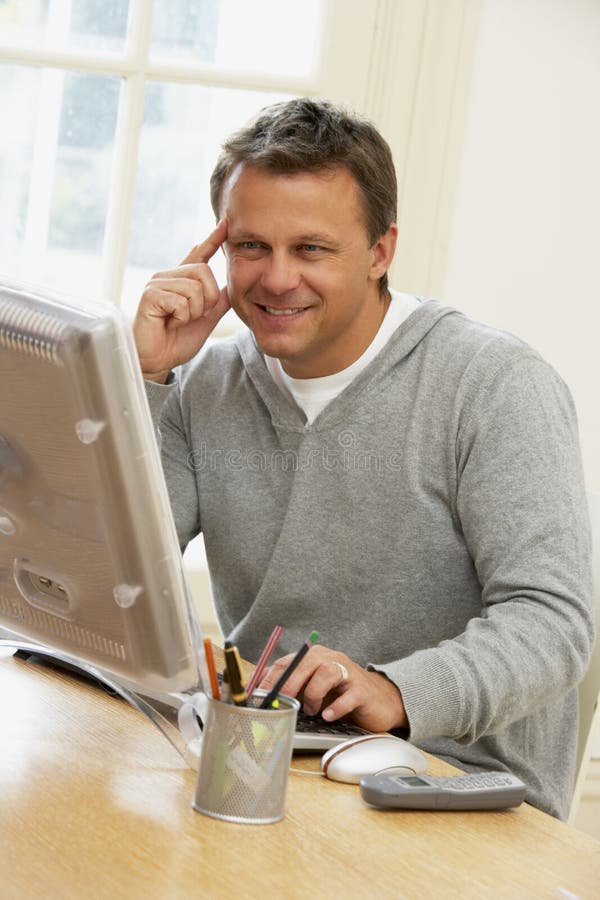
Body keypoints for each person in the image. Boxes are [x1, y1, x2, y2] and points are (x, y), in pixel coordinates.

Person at [133, 98, 593, 819]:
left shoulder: (494, 384)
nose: (277, 279)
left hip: (451, 781)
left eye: (311, 249)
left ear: (381, 251)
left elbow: (554, 622)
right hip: (268, 758)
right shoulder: (205, 384)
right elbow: (124, 576)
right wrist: (148, 382)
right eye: (251, 246)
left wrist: (399, 691)